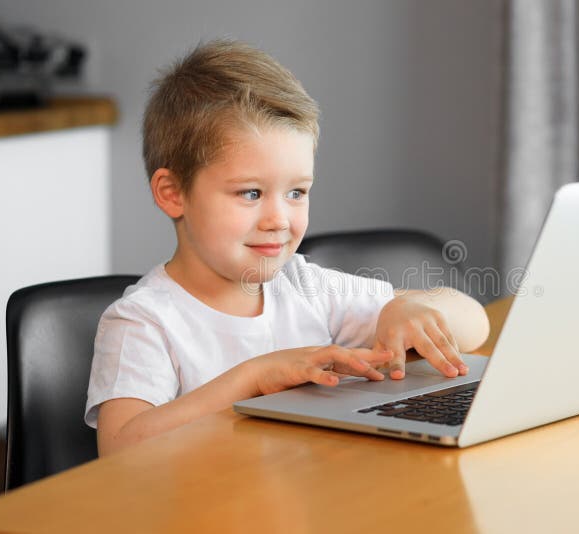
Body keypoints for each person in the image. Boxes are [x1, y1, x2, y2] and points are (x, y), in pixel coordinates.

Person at [85, 39, 489, 456]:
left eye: (296, 192)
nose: (279, 219)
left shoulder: (304, 287)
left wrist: (407, 310)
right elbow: (120, 448)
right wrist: (253, 378)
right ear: (172, 193)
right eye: (251, 193)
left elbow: (475, 324)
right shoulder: (143, 322)